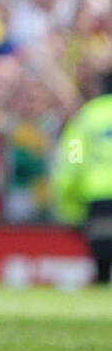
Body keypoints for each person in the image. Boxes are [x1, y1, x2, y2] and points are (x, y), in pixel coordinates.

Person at [53, 74, 112, 284]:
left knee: (103, 262)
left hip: (99, 197)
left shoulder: (87, 117)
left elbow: (73, 159)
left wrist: (70, 206)